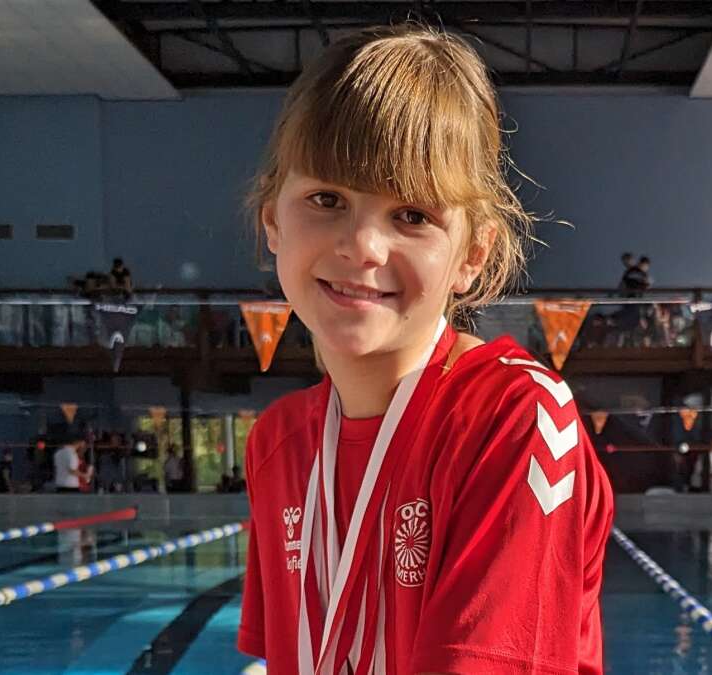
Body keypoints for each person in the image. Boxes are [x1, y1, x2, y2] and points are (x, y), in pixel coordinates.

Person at [236, 24, 614, 675]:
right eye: (326, 199)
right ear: (274, 219)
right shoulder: (278, 444)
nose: (363, 247)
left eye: (411, 215)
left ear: (473, 254)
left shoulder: (516, 420)